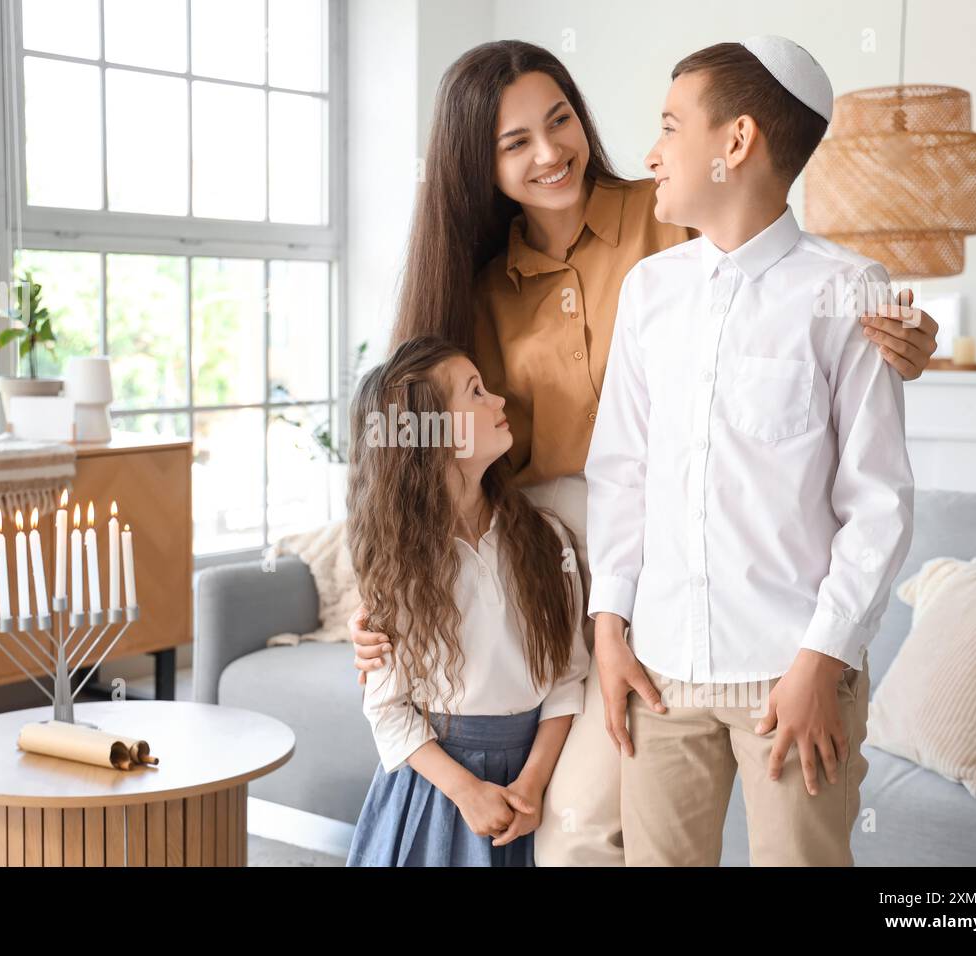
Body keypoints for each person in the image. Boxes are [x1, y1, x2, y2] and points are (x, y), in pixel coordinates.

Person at [349, 40, 940, 867]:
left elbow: (776, 258)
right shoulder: (474, 286)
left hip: (688, 590)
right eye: (514, 143)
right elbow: (414, 447)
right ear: (473, 165)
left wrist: (895, 325)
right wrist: (384, 592)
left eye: (559, 121)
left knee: (593, 826)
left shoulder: (671, 213)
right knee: (580, 837)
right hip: (545, 564)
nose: (550, 152)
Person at [586, 37, 914, 866]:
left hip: (792, 676)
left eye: (669, 126)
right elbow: (622, 471)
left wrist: (821, 662)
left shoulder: (849, 290)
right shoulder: (650, 292)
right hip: (658, 669)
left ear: (736, 143)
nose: (651, 153)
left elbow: (877, 502)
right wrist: (609, 628)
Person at [344, 337, 590, 867]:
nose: (499, 400)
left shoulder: (548, 539)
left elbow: (568, 679)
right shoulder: (400, 562)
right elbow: (387, 710)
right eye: (475, 392)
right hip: (436, 789)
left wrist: (531, 785)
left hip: (528, 782)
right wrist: (466, 792)